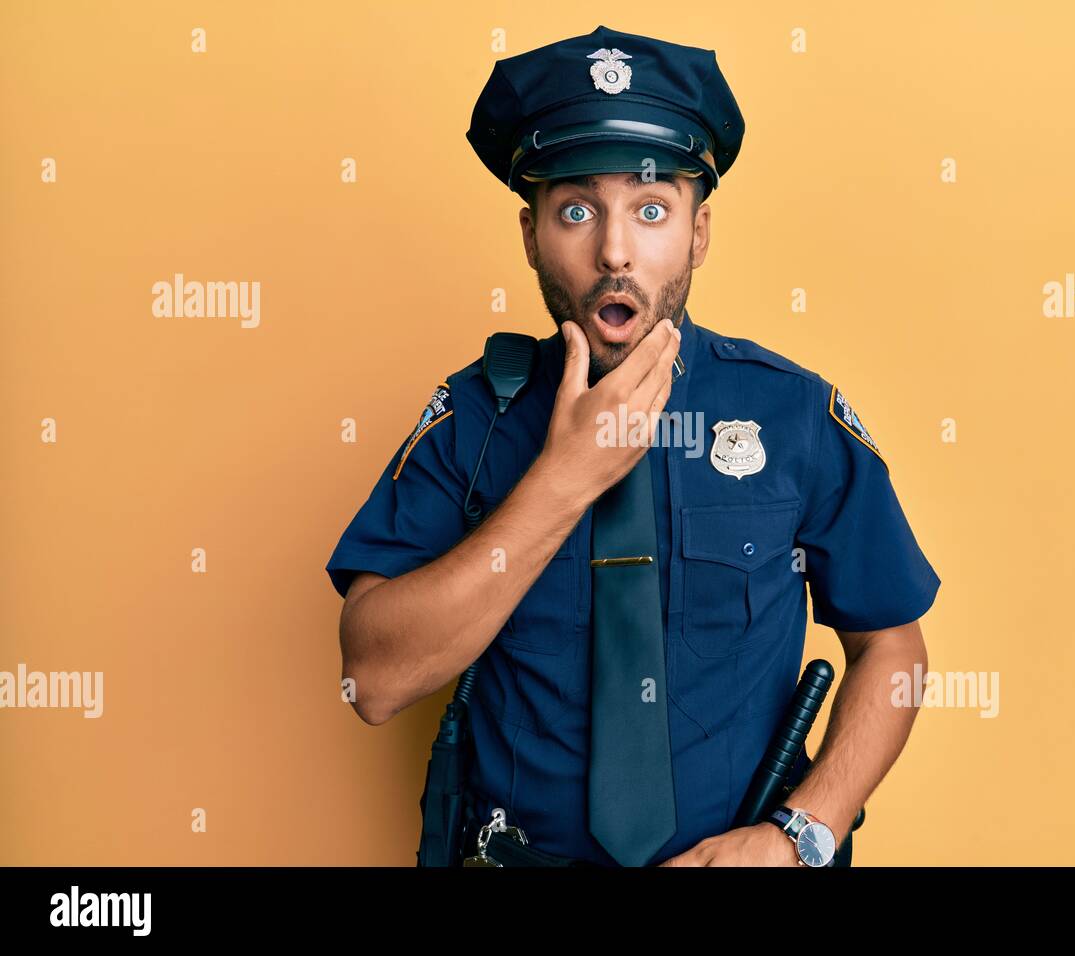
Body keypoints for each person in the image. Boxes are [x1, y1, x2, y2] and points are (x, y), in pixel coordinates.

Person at [325, 24, 941, 867]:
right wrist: (559, 483)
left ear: (698, 232)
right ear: (531, 234)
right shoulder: (474, 418)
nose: (614, 251)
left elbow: (892, 646)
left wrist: (801, 836)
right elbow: (374, 679)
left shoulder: (793, 414)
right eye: (576, 210)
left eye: (651, 210)